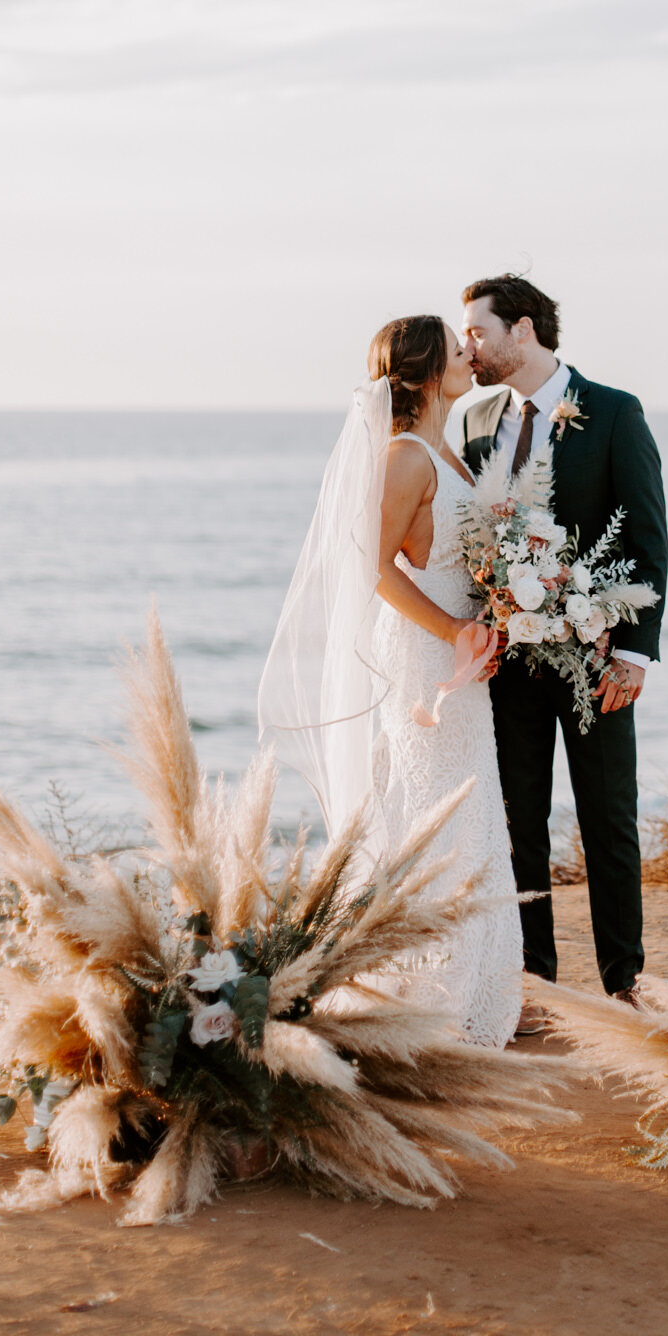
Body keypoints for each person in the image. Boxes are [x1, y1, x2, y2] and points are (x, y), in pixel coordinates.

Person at [258, 315, 522, 1050]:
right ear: (430, 373)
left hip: (462, 658)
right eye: (455, 347)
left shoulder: (448, 449)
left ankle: (466, 996)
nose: (469, 354)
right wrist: (454, 631)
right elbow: (373, 569)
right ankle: (419, 995)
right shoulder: (406, 456)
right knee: (428, 811)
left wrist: (506, 605)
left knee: (468, 812)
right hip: (423, 654)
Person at [460, 274, 668, 1011]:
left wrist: (633, 652)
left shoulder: (613, 412)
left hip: (593, 654)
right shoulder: (477, 420)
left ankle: (625, 982)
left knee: (607, 816)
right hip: (510, 661)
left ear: (523, 329)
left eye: (478, 332)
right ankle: (533, 982)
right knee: (520, 822)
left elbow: (646, 537)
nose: (468, 348)